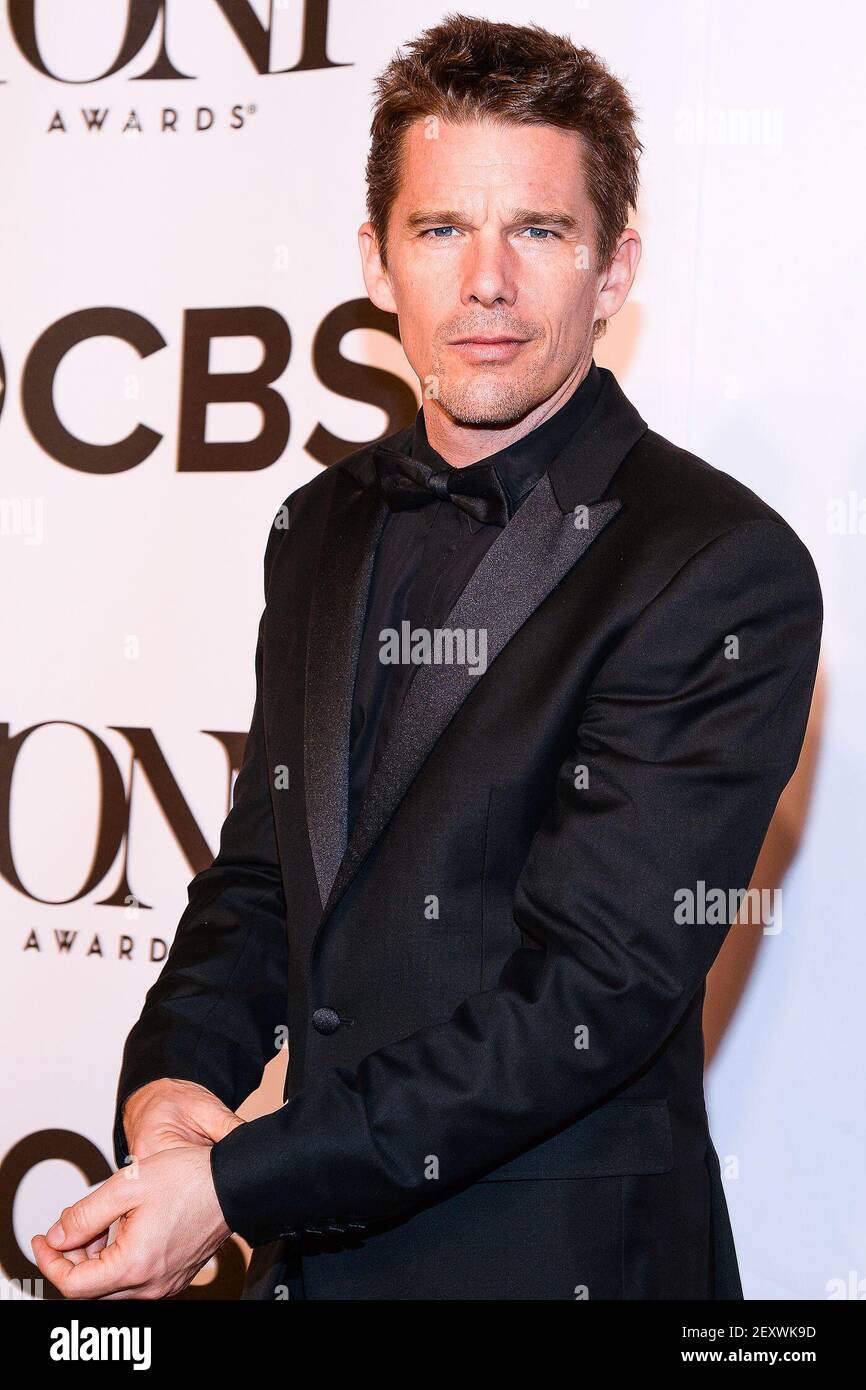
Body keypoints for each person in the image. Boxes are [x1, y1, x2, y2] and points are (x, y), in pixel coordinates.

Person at [33, 13, 822, 1300]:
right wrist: (177, 1085)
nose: (487, 283)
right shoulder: (319, 522)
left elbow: (592, 990)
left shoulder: (715, 563)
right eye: (442, 229)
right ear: (375, 258)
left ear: (613, 269)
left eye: (540, 231)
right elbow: (263, 869)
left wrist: (235, 1185)